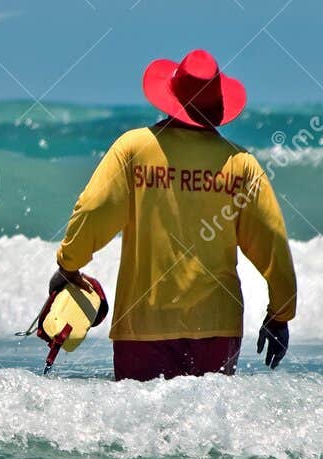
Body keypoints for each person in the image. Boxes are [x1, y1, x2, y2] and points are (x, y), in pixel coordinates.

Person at [51, 49, 296, 382]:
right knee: (206, 430)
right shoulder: (240, 164)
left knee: (140, 430)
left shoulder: (133, 149)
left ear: (169, 97)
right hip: (216, 327)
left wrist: (69, 265)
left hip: (143, 324)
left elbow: (94, 209)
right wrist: (280, 313)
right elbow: (272, 240)